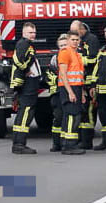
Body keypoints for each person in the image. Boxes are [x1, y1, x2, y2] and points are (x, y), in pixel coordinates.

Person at [10, 22, 42, 155]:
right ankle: (19, 144)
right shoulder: (24, 44)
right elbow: (18, 60)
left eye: (34, 32)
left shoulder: (27, 44)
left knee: (25, 111)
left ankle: (18, 143)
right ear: (24, 33)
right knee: (25, 112)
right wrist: (26, 69)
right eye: (30, 32)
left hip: (29, 82)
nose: (33, 35)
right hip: (28, 83)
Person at [71, 20, 100, 149]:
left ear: (82, 29)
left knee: (88, 111)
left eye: (75, 32)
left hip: (89, 80)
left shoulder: (91, 39)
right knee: (82, 111)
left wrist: (78, 60)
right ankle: (82, 139)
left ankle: (87, 141)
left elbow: (94, 59)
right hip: (80, 80)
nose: (74, 35)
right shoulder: (80, 41)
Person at [58, 31, 86, 155]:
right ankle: (69, 145)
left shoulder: (77, 54)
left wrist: (82, 92)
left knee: (72, 116)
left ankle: (65, 142)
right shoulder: (65, 52)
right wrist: (70, 92)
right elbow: (63, 74)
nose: (75, 42)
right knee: (71, 116)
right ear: (68, 40)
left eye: (77, 40)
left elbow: (79, 75)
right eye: (73, 39)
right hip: (68, 88)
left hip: (76, 88)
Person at [48, 34, 69, 152]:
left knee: (68, 118)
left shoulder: (73, 56)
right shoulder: (54, 59)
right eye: (61, 45)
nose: (63, 47)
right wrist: (57, 81)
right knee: (58, 118)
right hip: (57, 93)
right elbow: (49, 75)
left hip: (69, 92)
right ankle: (56, 144)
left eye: (65, 45)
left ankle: (67, 143)